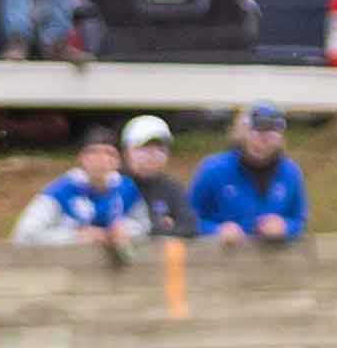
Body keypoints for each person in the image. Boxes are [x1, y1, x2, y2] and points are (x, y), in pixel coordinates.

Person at [189, 102, 308, 243]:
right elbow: (188, 219)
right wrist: (216, 230)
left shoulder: (291, 172)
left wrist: (284, 227)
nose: (263, 138)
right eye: (257, 129)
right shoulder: (213, 169)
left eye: (272, 131)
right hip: (221, 260)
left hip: (274, 261)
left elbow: (299, 219)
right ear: (241, 131)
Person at [11, 127, 147, 248]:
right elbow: (24, 235)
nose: (101, 159)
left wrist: (126, 231)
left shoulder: (126, 190)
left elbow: (145, 226)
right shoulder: (60, 191)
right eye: (93, 152)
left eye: (109, 153)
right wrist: (76, 237)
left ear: (118, 161)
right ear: (81, 158)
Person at [122, 114, 197, 238]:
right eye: (144, 148)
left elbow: (189, 226)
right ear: (126, 151)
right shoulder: (114, 184)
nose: (152, 155)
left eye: (160, 149)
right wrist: (158, 226)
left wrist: (154, 230)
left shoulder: (171, 188)